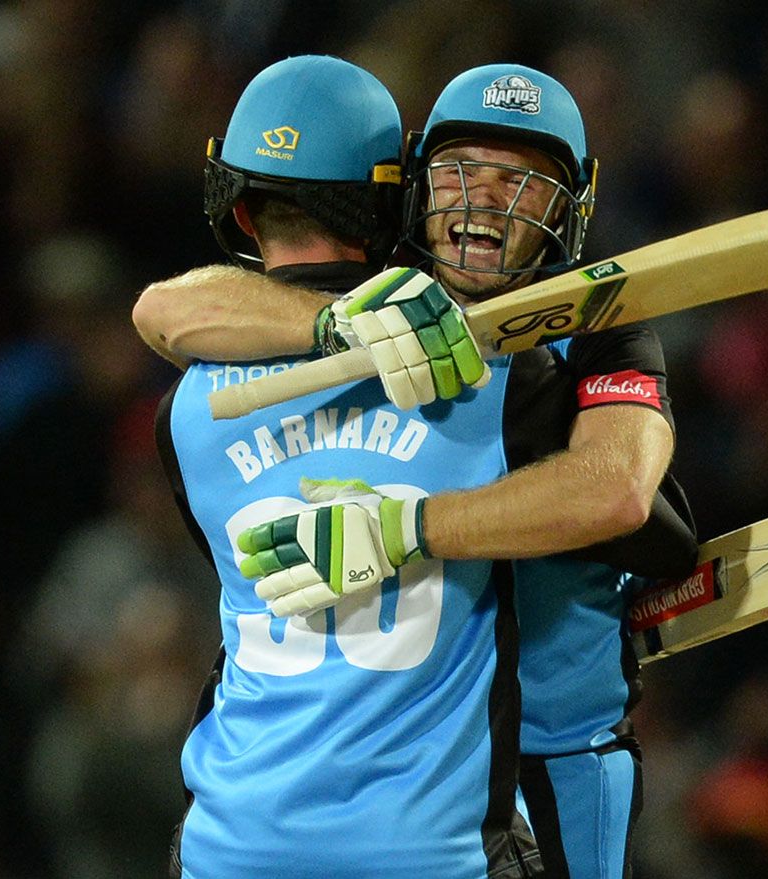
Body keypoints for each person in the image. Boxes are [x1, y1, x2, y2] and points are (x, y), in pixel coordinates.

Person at [136, 62, 697, 879]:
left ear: (566, 209)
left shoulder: (596, 327)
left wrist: (407, 527)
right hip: (444, 782)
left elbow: (626, 501)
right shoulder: (402, 312)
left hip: (555, 739)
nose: (483, 202)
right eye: (462, 173)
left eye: (521, 182)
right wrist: (337, 320)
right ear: (412, 189)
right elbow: (163, 307)